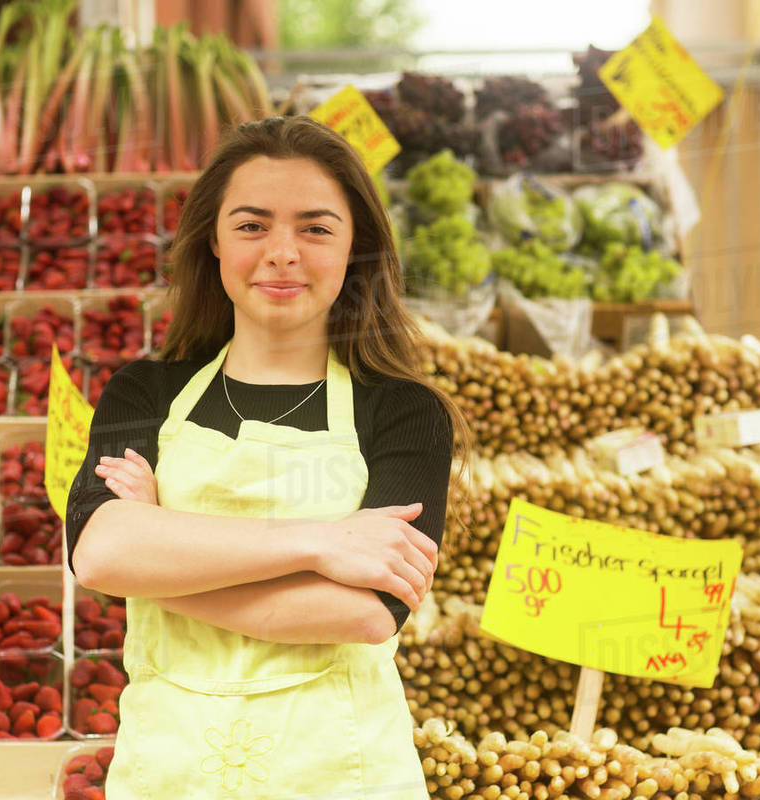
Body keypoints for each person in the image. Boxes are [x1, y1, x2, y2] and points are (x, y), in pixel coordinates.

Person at [66, 115, 468, 799]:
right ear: (214, 243)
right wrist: (323, 542)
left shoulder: (404, 410)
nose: (283, 252)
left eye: (315, 228)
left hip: (344, 776)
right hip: (172, 772)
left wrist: (163, 551)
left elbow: (368, 611)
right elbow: (101, 556)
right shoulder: (144, 391)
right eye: (252, 226)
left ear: (354, 248)